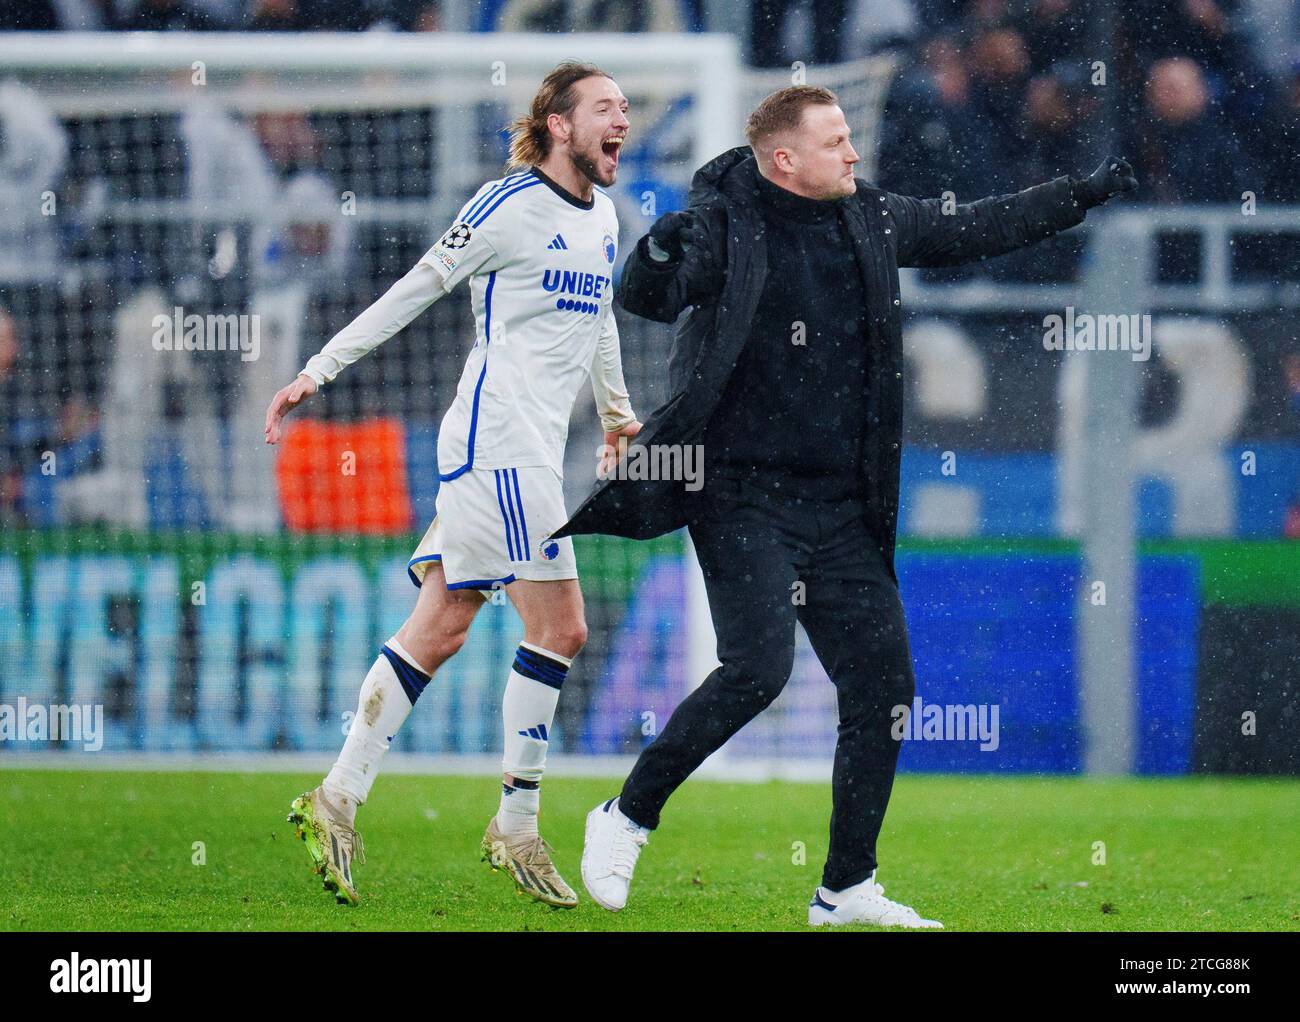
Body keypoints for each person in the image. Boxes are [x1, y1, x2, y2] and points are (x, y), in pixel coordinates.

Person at [557, 85, 1136, 926]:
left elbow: (972, 226)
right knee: (757, 669)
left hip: (838, 503)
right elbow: (648, 297)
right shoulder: (726, 223)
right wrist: (652, 255)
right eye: (836, 142)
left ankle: (844, 888)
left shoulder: (870, 215)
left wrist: (1076, 194)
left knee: (885, 687)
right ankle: (625, 816)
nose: (854, 154)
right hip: (740, 492)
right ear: (784, 160)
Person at [264, 62, 640, 908]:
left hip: (530, 451)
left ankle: (337, 798)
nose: (623, 121)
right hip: (498, 444)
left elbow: (601, 318)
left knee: (440, 626)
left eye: (626, 110)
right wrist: (317, 372)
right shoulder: (505, 205)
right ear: (558, 125)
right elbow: (418, 287)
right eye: (606, 109)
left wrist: (617, 414)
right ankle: (516, 824)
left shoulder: (605, 217)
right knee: (564, 629)